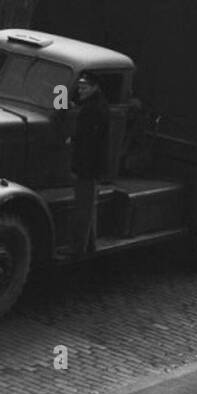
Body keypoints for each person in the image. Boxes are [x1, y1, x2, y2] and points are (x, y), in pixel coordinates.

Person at [68, 72, 110, 258]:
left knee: (83, 208)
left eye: (84, 87)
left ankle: (78, 248)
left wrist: (78, 168)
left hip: (88, 168)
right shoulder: (95, 106)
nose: (80, 90)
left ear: (94, 87)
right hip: (91, 167)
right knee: (88, 206)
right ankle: (89, 244)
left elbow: (89, 145)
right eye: (79, 87)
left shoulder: (93, 110)